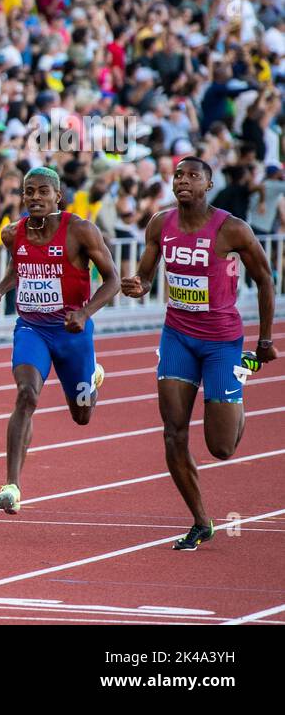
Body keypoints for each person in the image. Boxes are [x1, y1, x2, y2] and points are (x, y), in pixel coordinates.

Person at [121, 156, 278, 550]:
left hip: (222, 341)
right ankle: (200, 520)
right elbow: (146, 272)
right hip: (177, 337)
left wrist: (265, 340)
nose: (183, 181)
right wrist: (139, 284)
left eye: (193, 176)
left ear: (209, 185)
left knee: (221, 448)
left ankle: (238, 378)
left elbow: (264, 279)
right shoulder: (161, 223)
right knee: (173, 433)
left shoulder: (232, 229)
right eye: (178, 175)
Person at [0, 167, 120, 515]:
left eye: (43, 191)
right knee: (26, 394)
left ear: (57, 196)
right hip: (32, 329)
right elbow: (20, 266)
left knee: (82, 416)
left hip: (72, 331)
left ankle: (93, 376)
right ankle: (11, 485)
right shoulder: (13, 233)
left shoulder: (81, 231)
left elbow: (113, 280)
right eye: (29, 192)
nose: (35, 198)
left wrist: (85, 313)